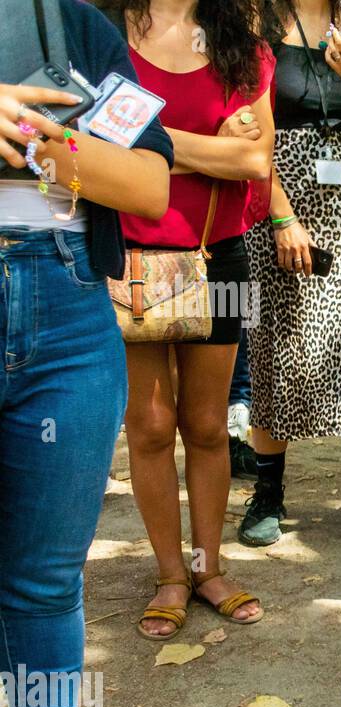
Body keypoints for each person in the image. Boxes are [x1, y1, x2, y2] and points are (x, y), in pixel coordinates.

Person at [1, 0, 172, 707]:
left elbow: (147, 184)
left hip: (65, 300)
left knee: (44, 575)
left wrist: (39, 138)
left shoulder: (74, 26)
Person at [108, 0, 273, 640]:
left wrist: (152, 146)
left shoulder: (244, 46)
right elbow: (91, 153)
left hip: (224, 257)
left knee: (209, 424)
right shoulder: (103, 35)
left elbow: (256, 163)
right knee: (148, 428)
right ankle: (171, 575)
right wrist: (210, 148)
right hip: (125, 258)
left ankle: (209, 570)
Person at [239, 0, 341, 547]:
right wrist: (280, 215)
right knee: (274, 345)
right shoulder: (256, 21)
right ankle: (268, 492)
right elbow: (248, 137)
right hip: (275, 195)